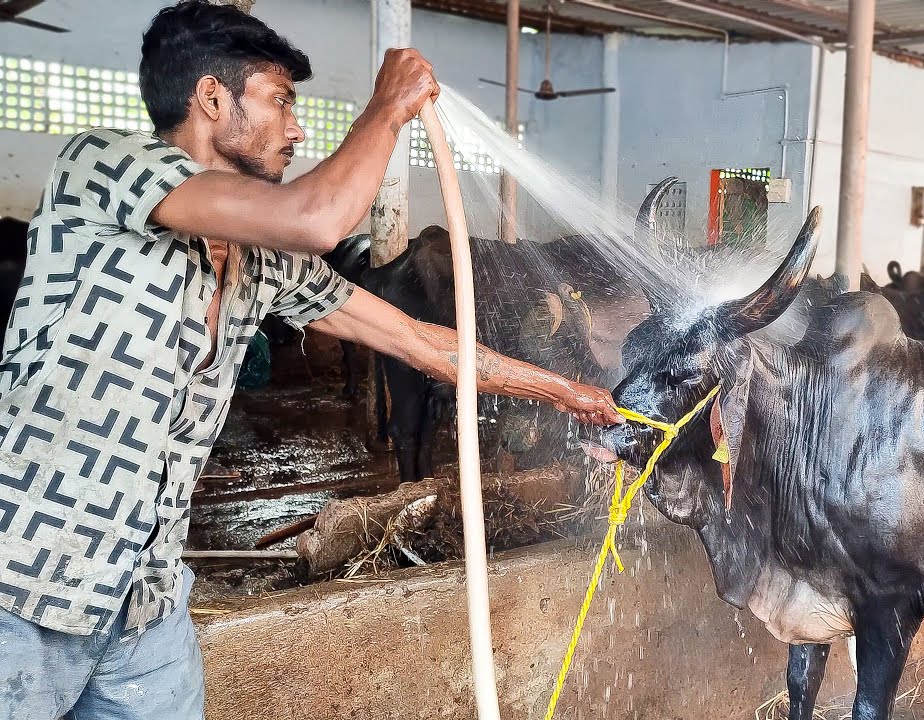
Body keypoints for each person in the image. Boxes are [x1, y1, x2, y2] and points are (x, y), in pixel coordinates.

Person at [0, 2, 622, 719]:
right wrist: (384, 110)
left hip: (147, 600)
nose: (296, 128)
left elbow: (421, 341)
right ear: (210, 99)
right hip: (25, 583)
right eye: (279, 101)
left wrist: (563, 389)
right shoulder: (104, 164)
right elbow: (319, 217)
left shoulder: (264, 261)